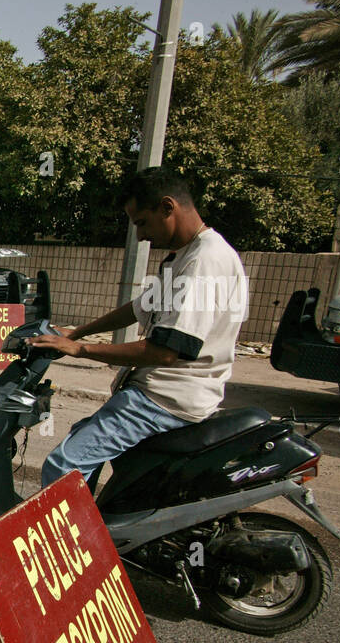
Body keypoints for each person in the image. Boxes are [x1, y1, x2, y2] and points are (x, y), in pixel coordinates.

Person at [30, 167, 248, 488]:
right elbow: (137, 308)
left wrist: (79, 349)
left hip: (165, 398)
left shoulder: (204, 262)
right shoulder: (187, 256)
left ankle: (77, 540)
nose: (142, 236)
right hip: (162, 393)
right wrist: (75, 332)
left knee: (65, 465)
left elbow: (165, 352)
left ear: (167, 207)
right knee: (81, 434)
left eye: (142, 223)